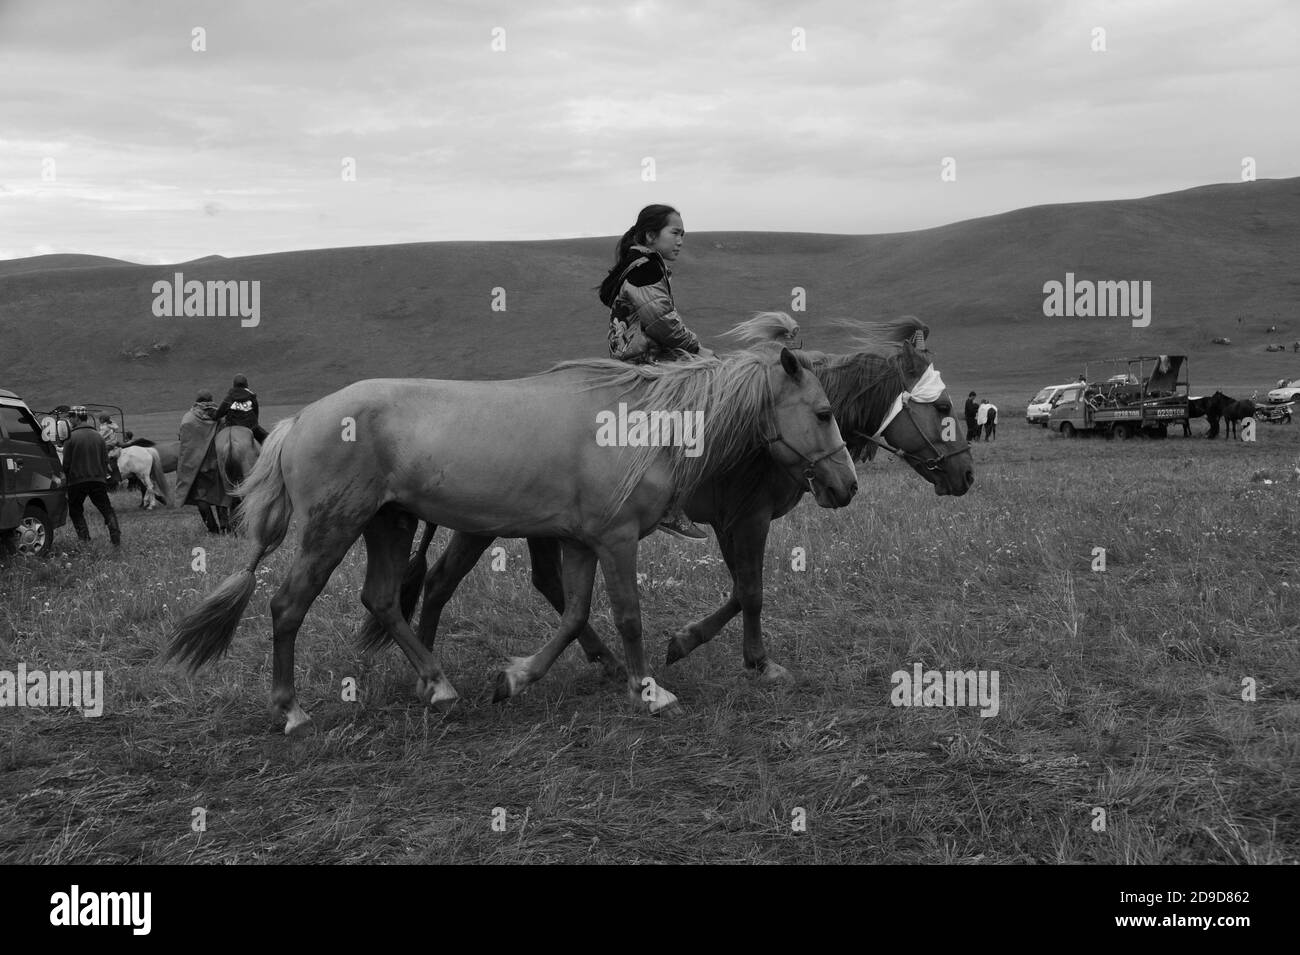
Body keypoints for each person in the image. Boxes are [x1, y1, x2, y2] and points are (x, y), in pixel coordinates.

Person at [598, 203, 708, 540]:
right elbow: (662, 322)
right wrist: (699, 349)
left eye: (683, 235)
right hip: (646, 363)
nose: (680, 241)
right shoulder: (646, 268)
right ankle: (671, 507)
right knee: (693, 418)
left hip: (636, 358)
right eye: (675, 233)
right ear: (650, 235)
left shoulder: (640, 265)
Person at [62, 407, 121, 546]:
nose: (69, 420)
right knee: (107, 509)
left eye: (71, 417)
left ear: (77, 418)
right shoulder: (98, 436)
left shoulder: (70, 437)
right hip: (98, 480)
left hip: (77, 481)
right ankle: (116, 540)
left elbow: (66, 464)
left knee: (76, 511)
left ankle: (85, 540)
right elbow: (105, 461)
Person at [176, 390, 232, 534]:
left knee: (201, 499)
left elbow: (184, 444)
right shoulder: (220, 417)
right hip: (217, 464)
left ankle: (212, 528)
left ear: (197, 400)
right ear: (211, 400)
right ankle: (225, 525)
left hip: (197, 466)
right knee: (221, 494)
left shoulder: (188, 419)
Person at [216, 374, 269, 444]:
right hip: (251, 427)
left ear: (234, 385)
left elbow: (219, 414)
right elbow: (256, 414)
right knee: (267, 438)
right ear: (246, 384)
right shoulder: (251, 396)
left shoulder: (229, 398)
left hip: (231, 427)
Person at [98, 413, 123, 486]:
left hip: (108, 443)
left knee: (100, 454)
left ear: (103, 420)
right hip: (113, 442)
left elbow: (100, 436)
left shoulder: (105, 427)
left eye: (100, 419)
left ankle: (106, 472)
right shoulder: (111, 425)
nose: (99, 420)